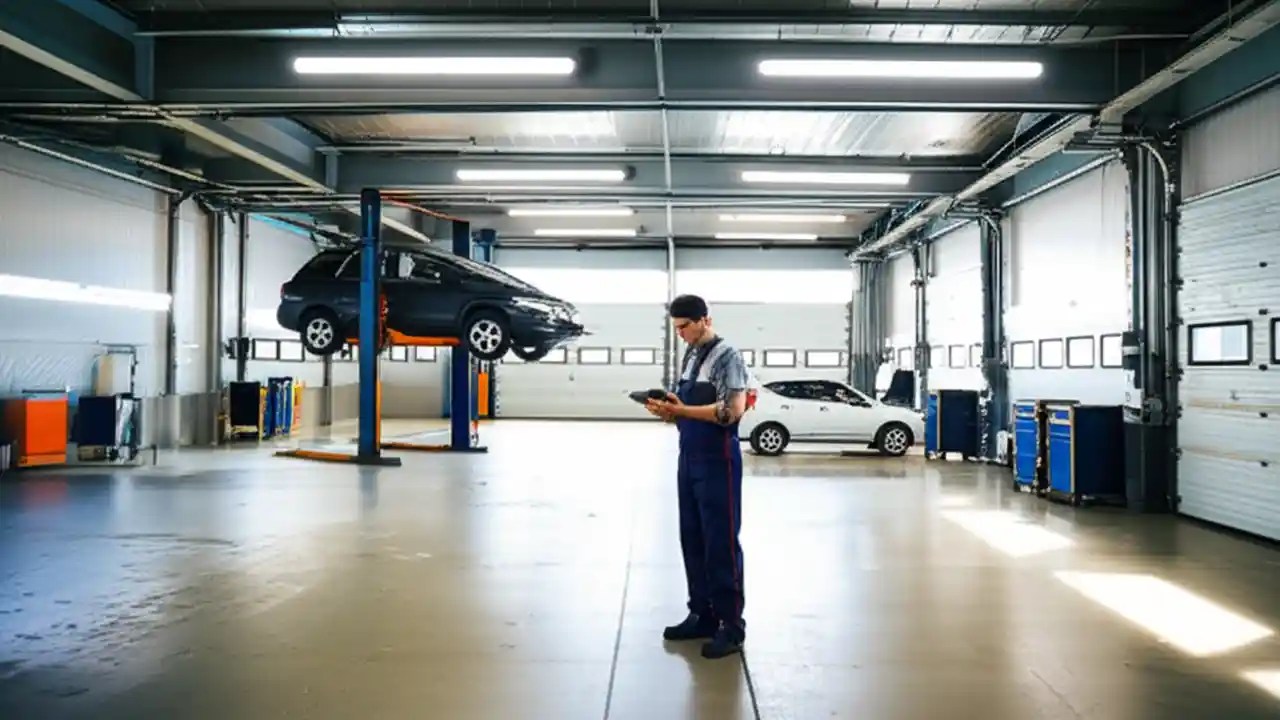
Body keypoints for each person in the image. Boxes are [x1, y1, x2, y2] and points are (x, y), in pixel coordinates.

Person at [645, 293, 750, 659]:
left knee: (720, 541)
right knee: (692, 537)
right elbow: (689, 409)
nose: (681, 335)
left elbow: (732, 411)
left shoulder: (728, 357)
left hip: (718, 459)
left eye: (685, 326)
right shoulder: (691, 356)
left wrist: (685, 409)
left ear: (705, 319)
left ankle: (731, 626)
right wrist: (671, 409)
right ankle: (702, 614)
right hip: (689, 456)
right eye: (676, 328)